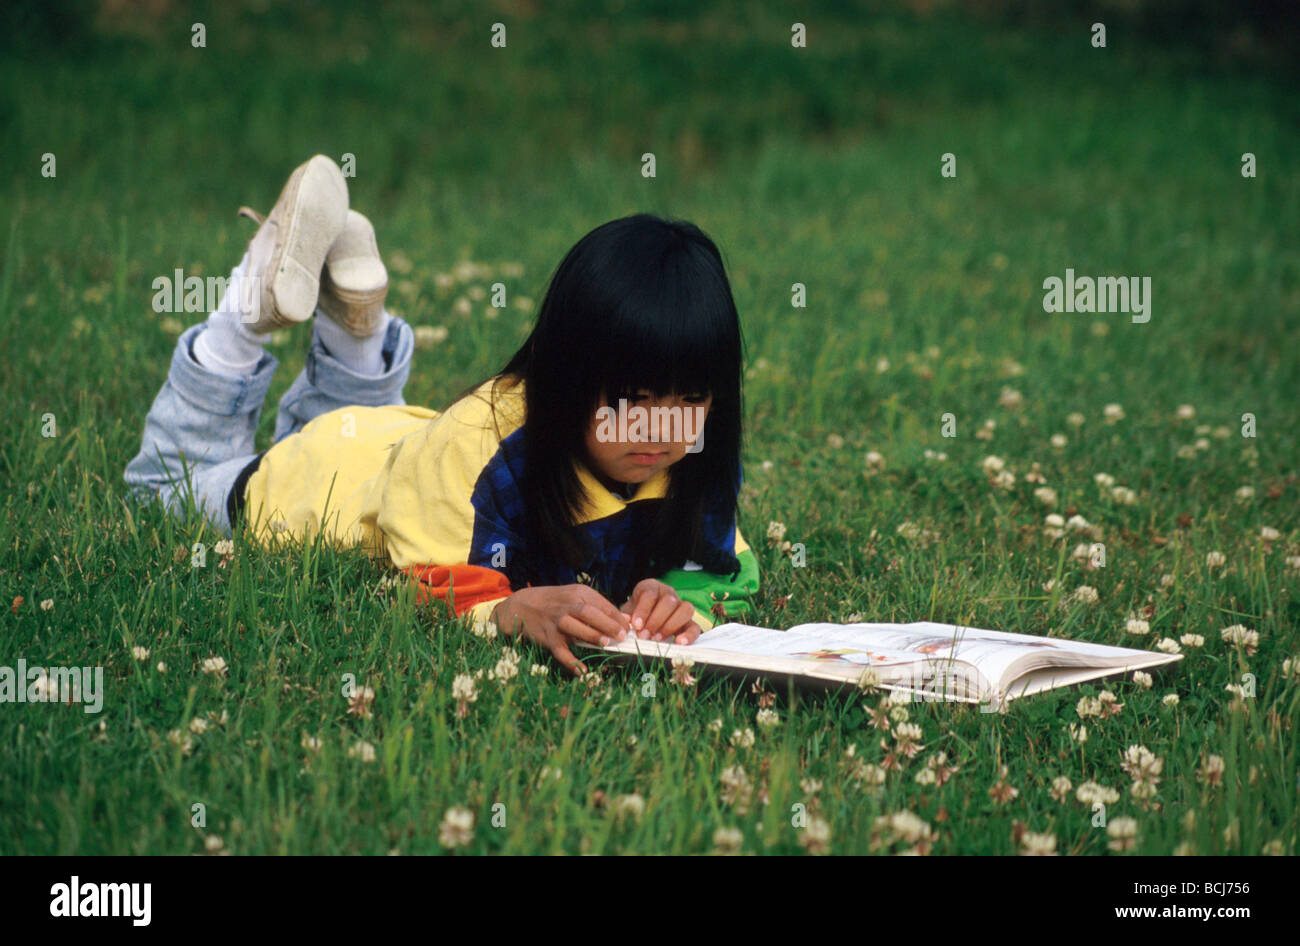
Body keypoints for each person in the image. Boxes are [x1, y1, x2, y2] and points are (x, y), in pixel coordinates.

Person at [124, 155, 760, 675]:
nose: (661, 430)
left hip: (396, 443)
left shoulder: (692, 451)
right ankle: (246, 297)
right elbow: (431, 581)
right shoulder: (483, 446)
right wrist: (511, 611)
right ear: (563, 376)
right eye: (633, 403)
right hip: (316, 485)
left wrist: (684, 603)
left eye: (690, 402)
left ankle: (356, 297)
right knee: (159, 486)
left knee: (354, 423)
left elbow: (721, 568)